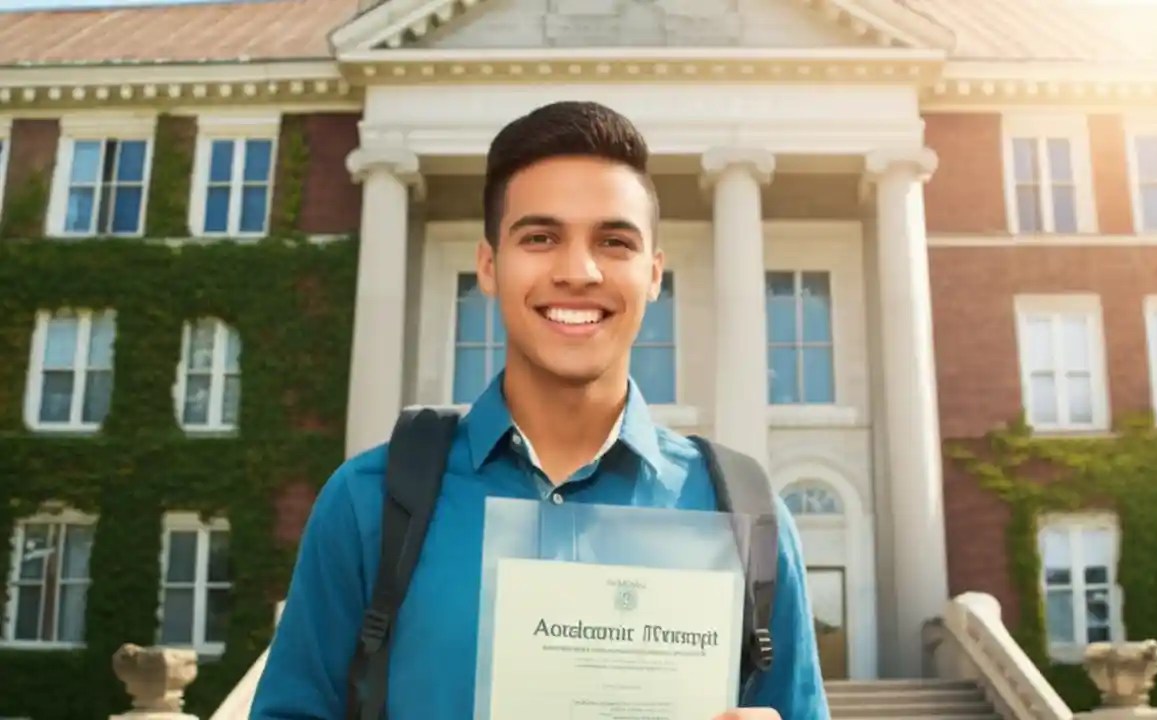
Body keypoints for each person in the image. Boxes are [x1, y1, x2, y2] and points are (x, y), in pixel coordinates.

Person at [250, 100, 831, 720]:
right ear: (489, 266)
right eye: (540, 237)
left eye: (614, 241)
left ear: (654, 274)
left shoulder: (744, 513)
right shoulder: (369, 500)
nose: (577, 271)